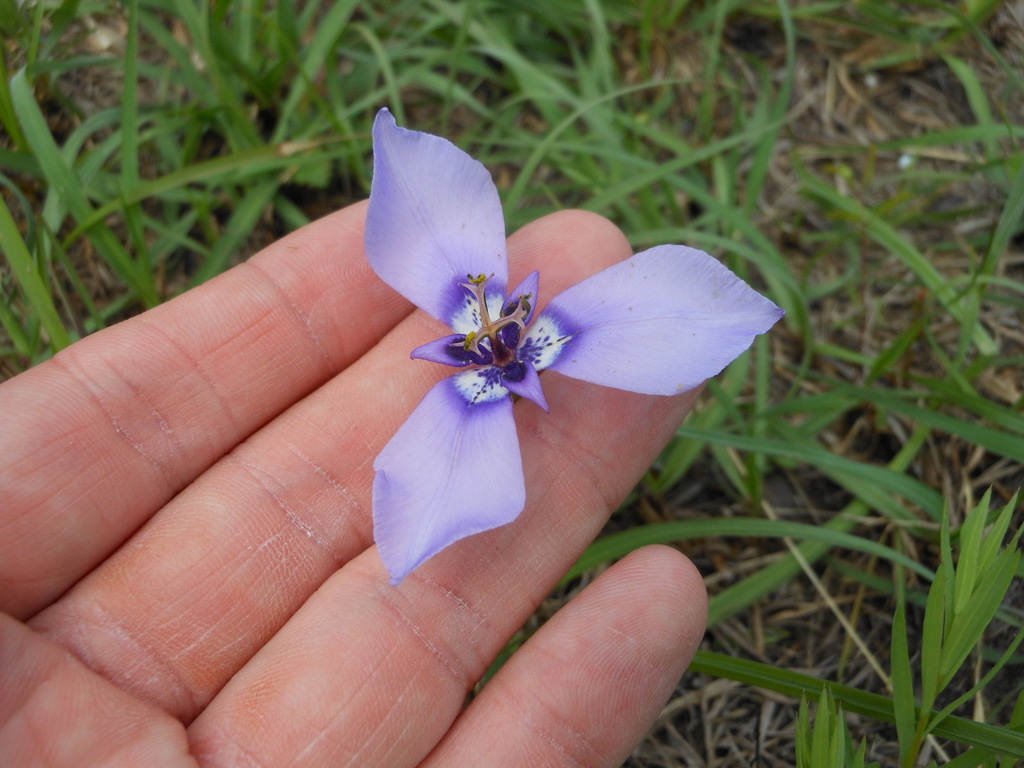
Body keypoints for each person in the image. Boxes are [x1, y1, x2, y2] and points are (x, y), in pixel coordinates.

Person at [0, 204, 708, 766]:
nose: (497, 334)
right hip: (479, 392)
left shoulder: (506, 334)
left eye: (501, 335)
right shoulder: (483, 347)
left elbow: (683, 319)